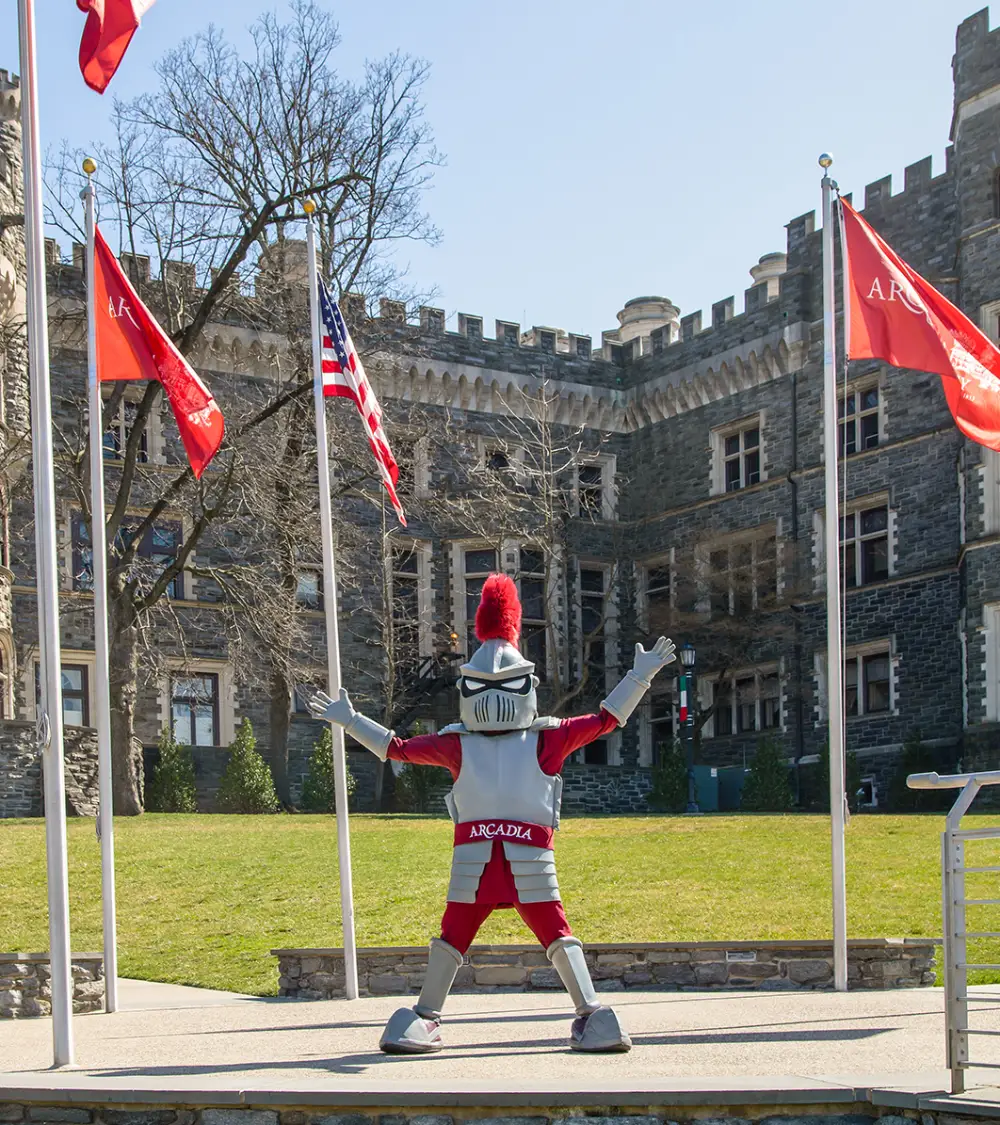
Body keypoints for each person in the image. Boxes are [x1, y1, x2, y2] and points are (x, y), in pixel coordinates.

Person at [309, 572, 675, 1054]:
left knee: (535, 933)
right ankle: (441, 1016)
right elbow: (396, 748)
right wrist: (352, 720)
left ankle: (580, 1013)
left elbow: (395, 748)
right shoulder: (520, 740)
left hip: (499, 861)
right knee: (478, 935)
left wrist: (640, 675)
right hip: (494, 862)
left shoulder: (502, 740)